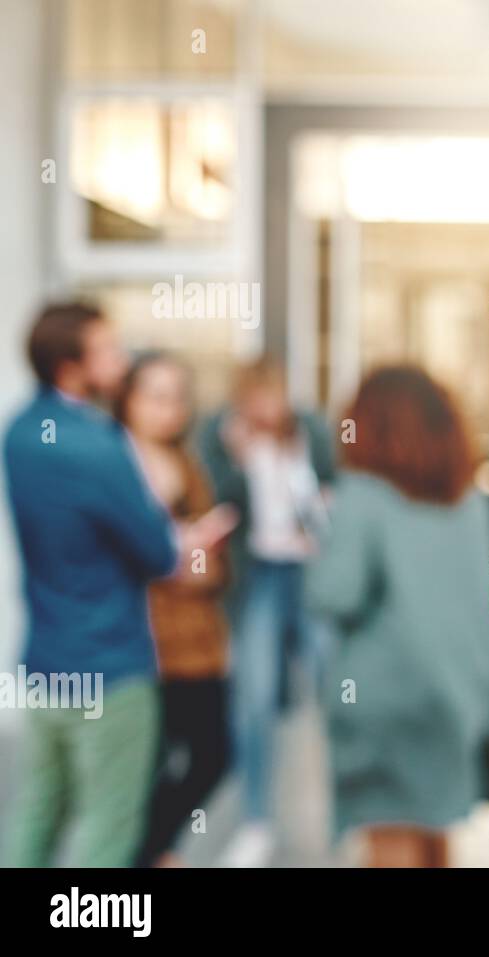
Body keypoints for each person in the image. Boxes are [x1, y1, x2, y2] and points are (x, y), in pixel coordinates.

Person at [2, 304, 218, 867]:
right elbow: (155, 552)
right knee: (109, 830)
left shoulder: (21, 433)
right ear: (72, 364)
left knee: (40, 811)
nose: (122, 364)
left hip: (47, 661)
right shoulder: (100, 444)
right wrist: (188, 543)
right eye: (108, 351)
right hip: (111, 663)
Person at [305, 366, 489, 867]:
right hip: (453, 696)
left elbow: (335, 595)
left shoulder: (363, 496)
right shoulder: (470, 501)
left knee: (390, 842)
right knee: (434, 837)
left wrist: (320, 541)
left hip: (383, 703)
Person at [196, 357, 335, 867]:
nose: (266, 407)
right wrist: (239, 460)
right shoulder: (221, 435)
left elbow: (330, 497)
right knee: (253, 695)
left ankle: (344, 812)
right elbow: (216, 504)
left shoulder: (311, 432)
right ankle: (257, 820)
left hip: (309, 573)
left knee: (333, 684)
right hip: (258, 576)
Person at [116, 353, 237, 867]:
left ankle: (155, 849)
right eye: (155, 397)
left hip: (198, 638)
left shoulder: (188, 463)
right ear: (129, 400)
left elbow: (214, 565)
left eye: (177, 398)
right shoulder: (115, 464)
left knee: (213, 752)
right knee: (144, 765)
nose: (169, 410)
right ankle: (145, 857)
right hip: (145, 644)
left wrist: (203, 565)